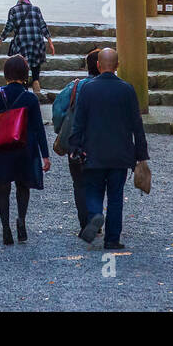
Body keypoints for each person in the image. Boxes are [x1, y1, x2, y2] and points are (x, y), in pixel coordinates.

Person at [68, 48, 148, 250]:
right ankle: (112, 239)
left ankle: (95, 215)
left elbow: (79, 122)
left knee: (93, 189)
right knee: (115, 196)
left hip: (93, 150)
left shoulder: (88, 89)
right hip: (121, 153)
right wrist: (141, 155)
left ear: (97, 65)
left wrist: (75, 146)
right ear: (117, 65)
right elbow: (136, 125)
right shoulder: (127, 90)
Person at [0, 55, 51, 244]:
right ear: (25, 74)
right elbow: (38, 127)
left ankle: (5, 228)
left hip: (2, 147)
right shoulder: (30, 98)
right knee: (23, 186)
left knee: (3, 189)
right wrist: (45, 155)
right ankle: (21, 220)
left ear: (6, 74)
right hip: (24, 148)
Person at [53, 48, 100, 231]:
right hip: (101, 142)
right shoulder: (109, 87)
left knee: (79, 184)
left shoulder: (74, 87)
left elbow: (58, 111)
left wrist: (62, 130)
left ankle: (85, 223)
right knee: (98, 182)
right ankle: (97, 217)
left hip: (76, 142)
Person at [0, 0, 54, 94]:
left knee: (21, 66)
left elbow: (8, 28)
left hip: (22, 44)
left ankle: (23, 88)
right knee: (35, 64)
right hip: (37, 44)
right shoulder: (36, 9)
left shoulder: (13, 10)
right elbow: (43, 26)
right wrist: (50, 42)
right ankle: (35, 81)